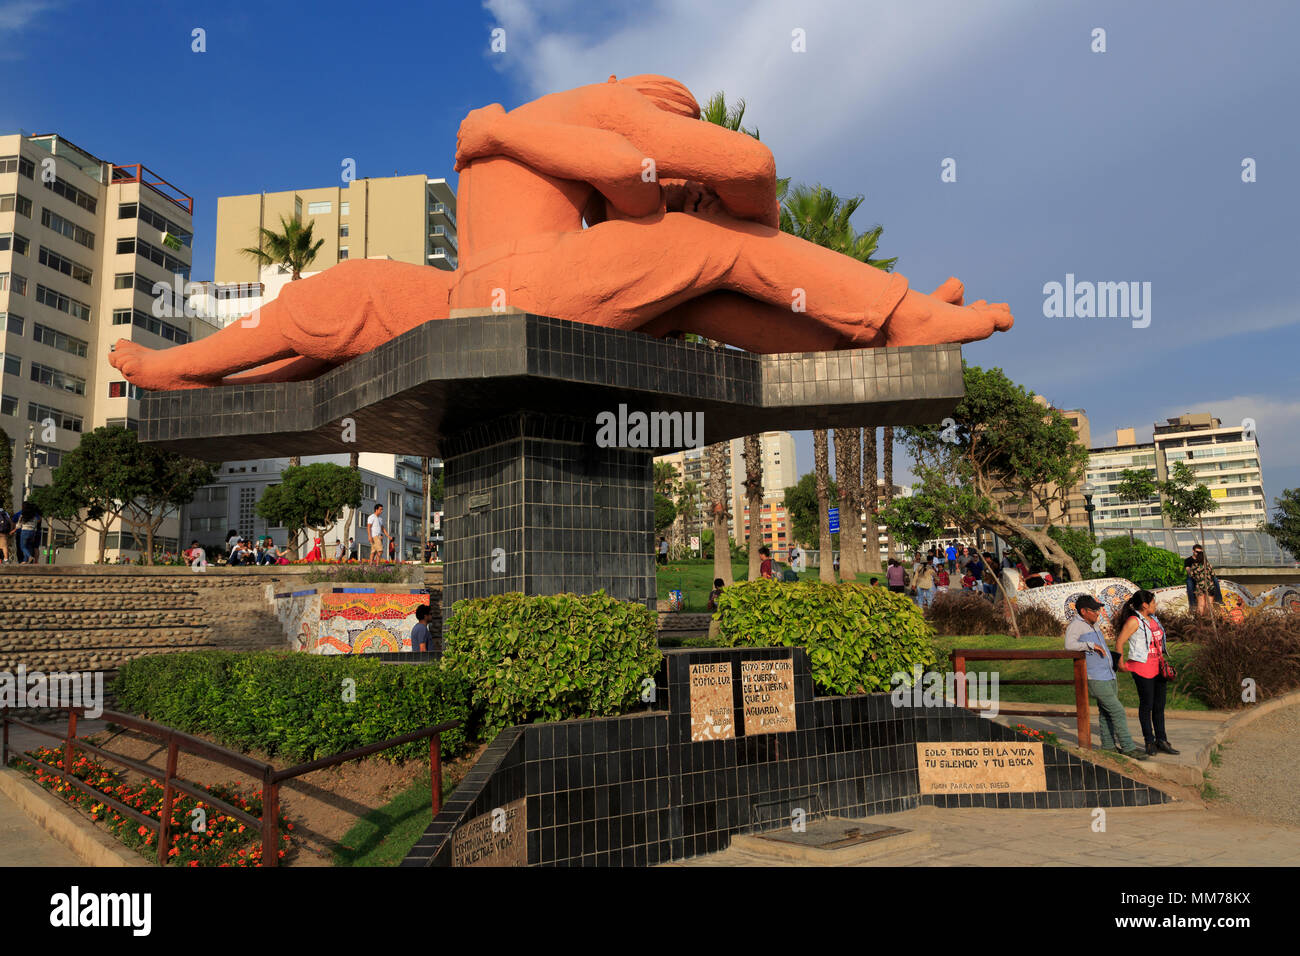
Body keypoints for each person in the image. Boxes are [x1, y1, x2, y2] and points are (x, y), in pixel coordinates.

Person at [1065, 596, 1147, 759]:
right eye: (1094, 610)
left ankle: (1108, 747)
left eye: (1098, 609)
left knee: (1106, 712)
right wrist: (1089, 646)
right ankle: (1128, 747)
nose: (1098, 613)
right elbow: (1069, 646)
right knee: (1117, 711)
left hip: (1108, 674)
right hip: (1095, 677)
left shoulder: (1093, 624)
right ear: (1083, 611)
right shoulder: (1076, 626)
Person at [1114, 589, 1179, 757]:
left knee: (1159, 706)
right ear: (1144, 605)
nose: (1155, 605)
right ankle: (1149, 741)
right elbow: (1120, 641)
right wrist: (1120, 663)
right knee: (1147, 705)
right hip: (1142, 668)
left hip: (1158, 666)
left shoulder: (1154, 620)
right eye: (1153, 602)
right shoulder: (1134, 621)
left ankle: (1162, 740)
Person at [1186, 545, 1215, 617]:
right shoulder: (1208, 565)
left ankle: (1200, 620)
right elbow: (1213, 574)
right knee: (1210, 605)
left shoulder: (1194, 566)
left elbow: (1192, 575)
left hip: (1200, 587)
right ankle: (1210, 619)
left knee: (1201, 605)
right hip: (1210, 586)